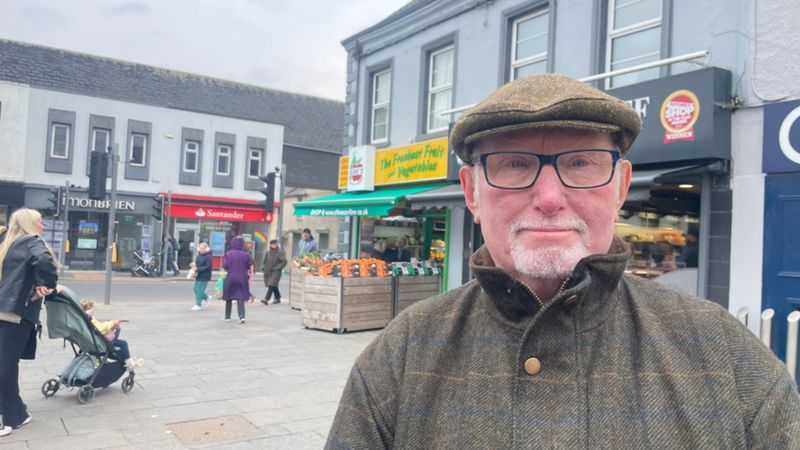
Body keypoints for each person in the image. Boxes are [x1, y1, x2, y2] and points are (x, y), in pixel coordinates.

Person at [326, 74, 800, 448]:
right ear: (472, 191)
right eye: (513, 164)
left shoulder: (728, 357)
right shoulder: (402, 355)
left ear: (619, 187)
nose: (550, 197)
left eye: (580, 164)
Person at [0, 208, 58, 437]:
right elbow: (45, 261)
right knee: (5, 366)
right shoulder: (32, 242)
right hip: (15, 313)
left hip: (7, 311)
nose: (42, 226)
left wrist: (45, 283)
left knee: (5, 366)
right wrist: (49, 283)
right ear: (29, 223)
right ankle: (16, 415)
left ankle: (12, 417)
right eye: (39, 222)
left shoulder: (7, 242)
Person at [79, 299, 141, 370]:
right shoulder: (89, 318)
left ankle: (127, 360)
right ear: (89, 308)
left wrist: (111, 324)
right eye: (92, 308)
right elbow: (100, 328)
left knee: (119, 345)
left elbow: (99, 326)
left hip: (95, 343)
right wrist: (112, 323)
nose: (93, 310)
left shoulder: (84, 319)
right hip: (102, 343)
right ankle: (129, 363)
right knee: (123, 344)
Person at [222, 236, 253, 324]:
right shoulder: (246, 254)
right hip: (242, 278)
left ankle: (227, 316)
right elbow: (248, 265)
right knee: (240, 297)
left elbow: (225, 265)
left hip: (231, 277)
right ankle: (241, 316)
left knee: (229, 296)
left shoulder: (229, 253)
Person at [261, 239, 287, 305]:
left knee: (271, 284)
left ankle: (266, 299)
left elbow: (284, 262)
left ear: (277, 244)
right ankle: (277, 298)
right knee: (274, 286)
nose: (273, 245)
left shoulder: (280, 252)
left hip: (276, 272)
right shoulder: (268, 252)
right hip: (269, 271)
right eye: (272, 244)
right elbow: (265, 261)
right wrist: (264, 267)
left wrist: (278, 268)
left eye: (274, 244)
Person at [192, 242, 212, 311]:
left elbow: (208, 267)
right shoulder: (199, 256)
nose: (201, 250)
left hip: (205, 276)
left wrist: (198, 269)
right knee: (195, 289)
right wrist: (195, 270)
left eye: (203, 248)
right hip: (199, 275)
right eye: (200, 248)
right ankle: (206, 297)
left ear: (206, 249)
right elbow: (197, 265)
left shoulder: (208, 257)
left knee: (199, 290)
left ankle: (198, 304)